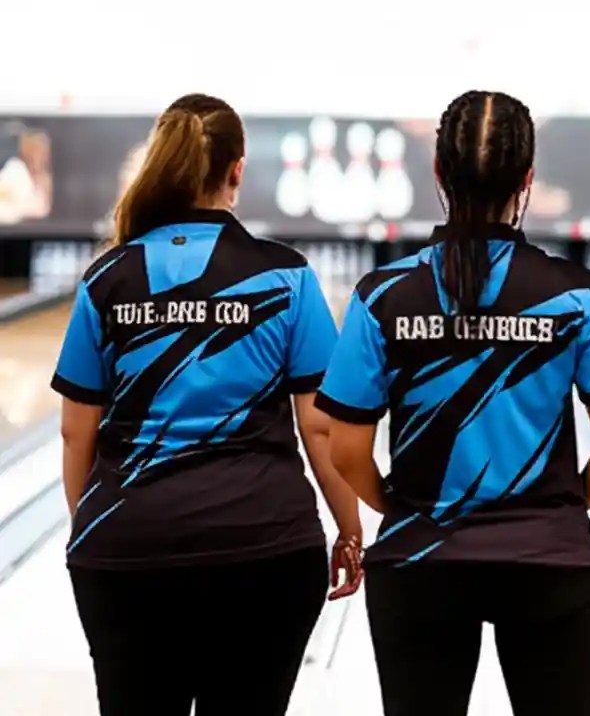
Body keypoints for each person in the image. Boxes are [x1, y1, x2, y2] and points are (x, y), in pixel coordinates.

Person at [317, 90, 590, 716]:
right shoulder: (578, 294)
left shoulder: (382, 296)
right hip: (550, 563)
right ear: (527, 178)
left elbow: (346, 447)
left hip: (420, 564)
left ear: (438, 172)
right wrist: (562, 506)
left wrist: (403, 506)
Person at [51, 93, 364, 716]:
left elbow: (72, 434)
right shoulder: (288, 277)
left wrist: (98, 528)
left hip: (128, 556)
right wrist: (349, 529)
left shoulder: (107, 277)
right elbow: (320, 430)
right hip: (267, 554)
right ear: (237, 170)